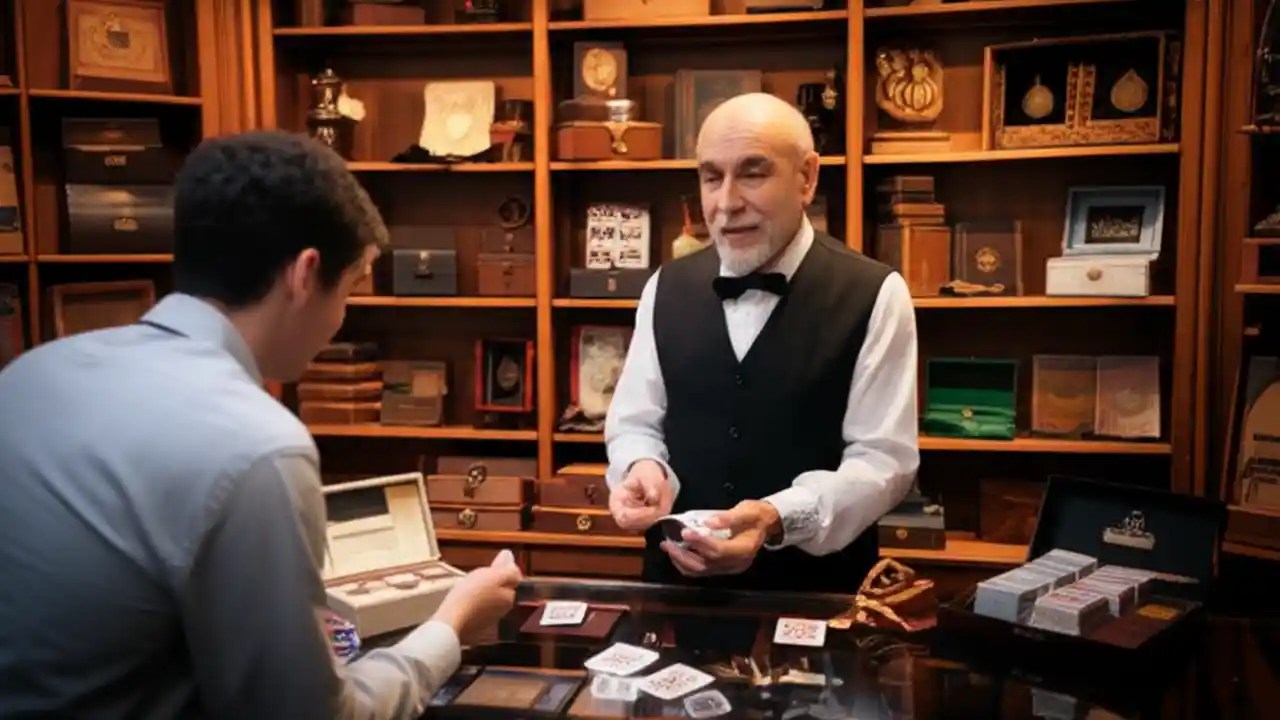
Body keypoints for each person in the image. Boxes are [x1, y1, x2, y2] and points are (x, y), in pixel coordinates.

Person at [0, 131, 521, 718]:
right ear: (304, 275)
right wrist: (450, 623)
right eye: (350, 289)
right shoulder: (258, 445)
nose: (342, 320)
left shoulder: (29, 377)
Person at [604, 93, 920, 594]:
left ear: (807, 178)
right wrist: (641, 468)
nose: (726, 203)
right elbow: (635, 424)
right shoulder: (664, 287)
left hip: (815, 598)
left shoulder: (876, 293)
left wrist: (776, 517)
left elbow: (884, 462)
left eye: (752, 173)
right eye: (711, 177)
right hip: (675, 593)